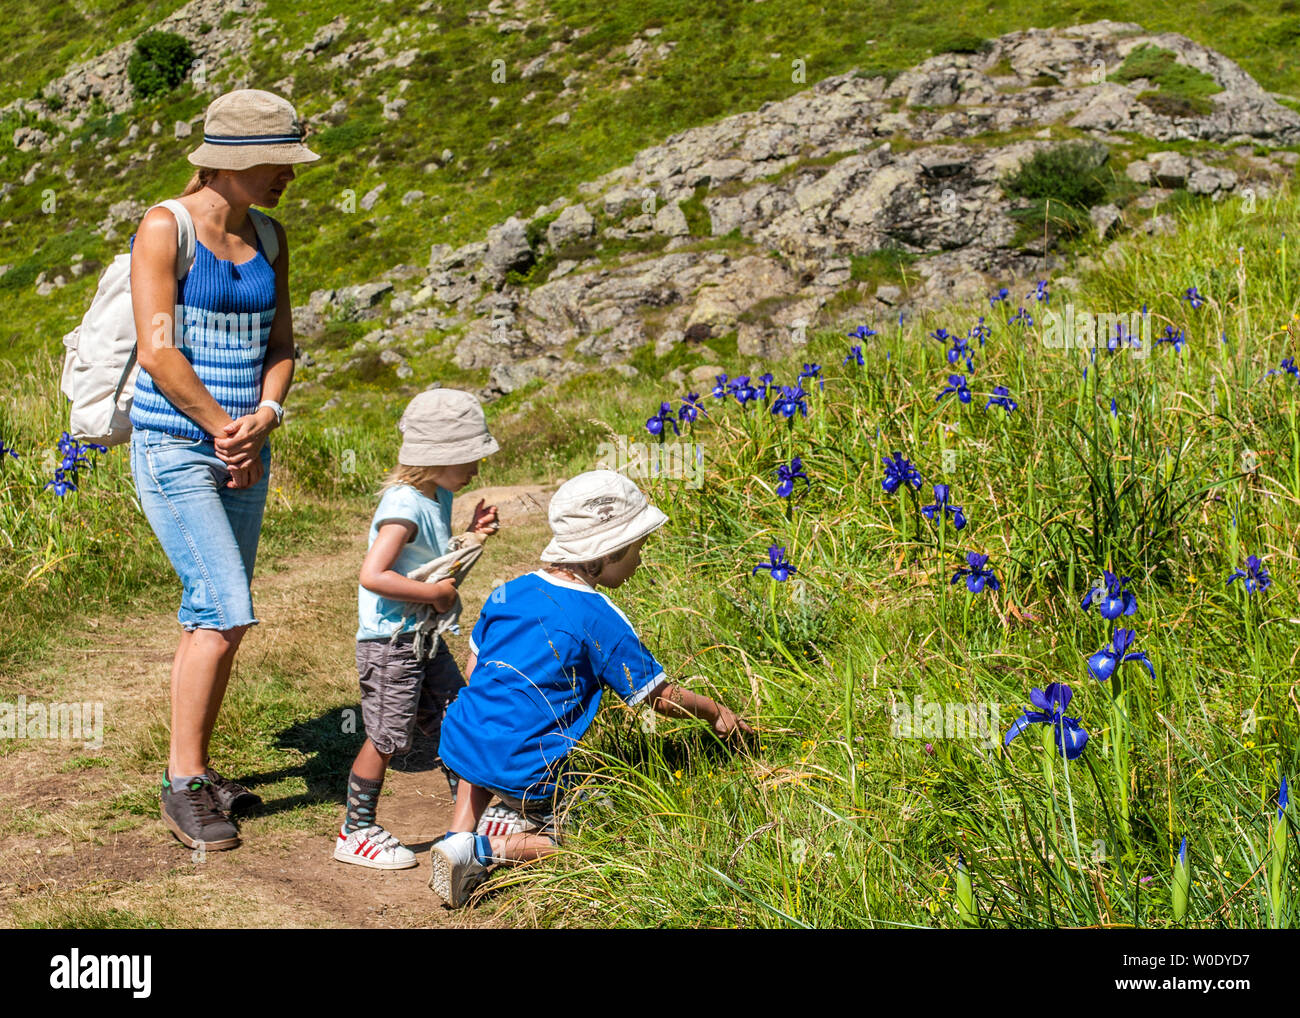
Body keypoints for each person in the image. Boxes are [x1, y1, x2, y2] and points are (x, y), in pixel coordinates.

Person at [128, 89, 316, 851]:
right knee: (224, 607)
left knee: (216, 617)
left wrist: (264, 418)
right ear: (233, 162)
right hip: (176, 445)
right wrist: (220, 429)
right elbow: (158, 349)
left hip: (246, 447)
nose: (288, 178)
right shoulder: (163, 228)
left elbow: (283, 348)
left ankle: (196, 769)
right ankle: (183, 788)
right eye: (277, 163)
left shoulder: (270, 238)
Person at [429, 470, 753, 906]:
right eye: (637, 549)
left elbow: (476, 668)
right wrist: (715, 711)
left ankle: (457, 834)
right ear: (608, 553)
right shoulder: (597, 616)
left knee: (488, 733)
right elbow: (657, 697)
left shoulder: (511, 591)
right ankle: (484, 850)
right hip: (529, 770)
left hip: (461, 738)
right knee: (598, 834)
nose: (640, 559)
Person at [334, 389, 501, 869]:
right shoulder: (403, 506)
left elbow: (426, 560)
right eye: (469, 457)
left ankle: (467, 822)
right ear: (438, 458)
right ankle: (356, 830)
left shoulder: (437, 495)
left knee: (456, 718)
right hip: (391, 643)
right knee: (386, 735)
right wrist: (437, 596)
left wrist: (471, 535)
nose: (476, 468)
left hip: (422, 639)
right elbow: (374, 575)